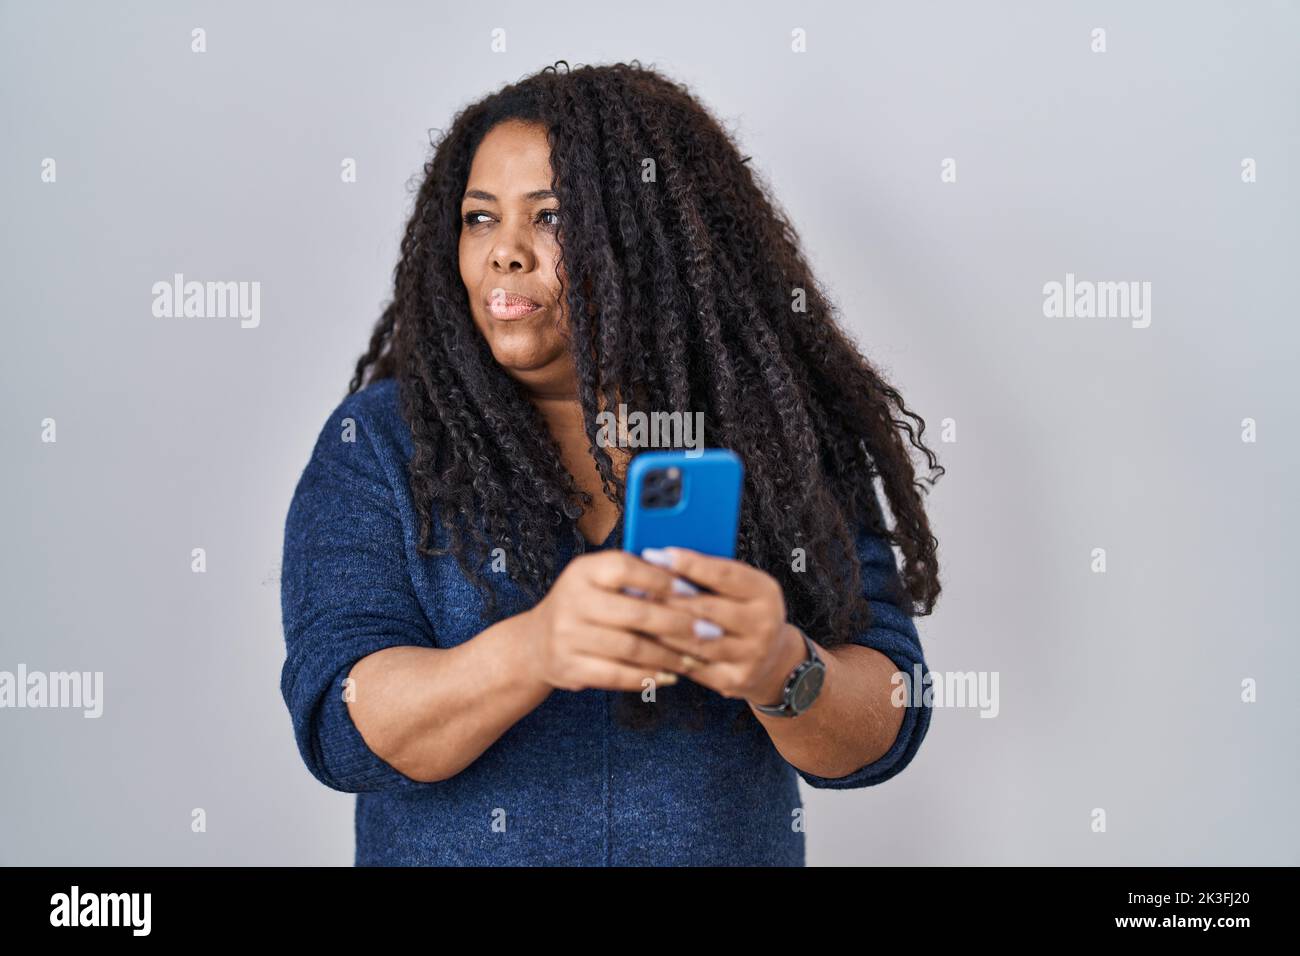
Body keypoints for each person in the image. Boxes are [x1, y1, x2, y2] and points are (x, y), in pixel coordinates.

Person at [279, 60, 944, 866]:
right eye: (480, 218)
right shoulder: (380, 443)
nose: (506, 254)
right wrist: (534, 650)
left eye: (552, 216)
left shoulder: (767, 433)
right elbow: (342, 726)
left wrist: (782, 667)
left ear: (645, 235)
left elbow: (889, 715)